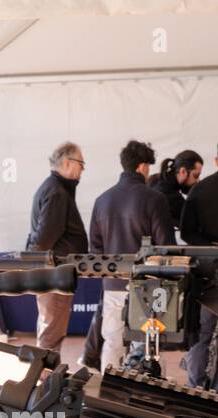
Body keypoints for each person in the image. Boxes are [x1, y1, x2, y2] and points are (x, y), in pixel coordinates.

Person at [85, 140, 175, 371]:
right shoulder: (155, 200)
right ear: (142, 167)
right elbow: (166, 248)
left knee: (112, 341)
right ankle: (144, 396)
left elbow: (95, 250)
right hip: (151, 285)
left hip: (112, 283)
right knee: (148, 343)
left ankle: (106, 392)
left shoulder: (101, 201)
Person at [25, 141, 88, 352]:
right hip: (55, 274)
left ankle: (46, 377)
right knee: (52, 333)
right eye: (81, 163)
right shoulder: (58, 193)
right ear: (68, 163)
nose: (83, 169)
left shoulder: (52, 188)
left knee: (50, 329)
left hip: (52, 273)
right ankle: (45, 380)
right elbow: (43, 240)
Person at [151, 149, 203, 230]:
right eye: (196, 176)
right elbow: (193, 223)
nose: (197, 181)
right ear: (183, 171)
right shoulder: (171, 196)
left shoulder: (156, 181)